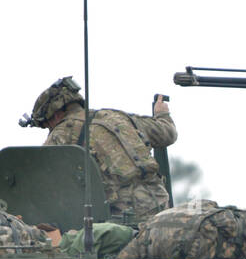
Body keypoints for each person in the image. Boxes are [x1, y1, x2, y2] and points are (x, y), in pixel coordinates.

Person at [24, 76, 177, 221]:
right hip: (160, 208)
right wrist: (162, 114)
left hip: (119, 219)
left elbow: (43, 186)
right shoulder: (118, 117)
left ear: (56, 115)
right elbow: (167, 133)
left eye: (47, 125)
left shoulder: (61, 134)